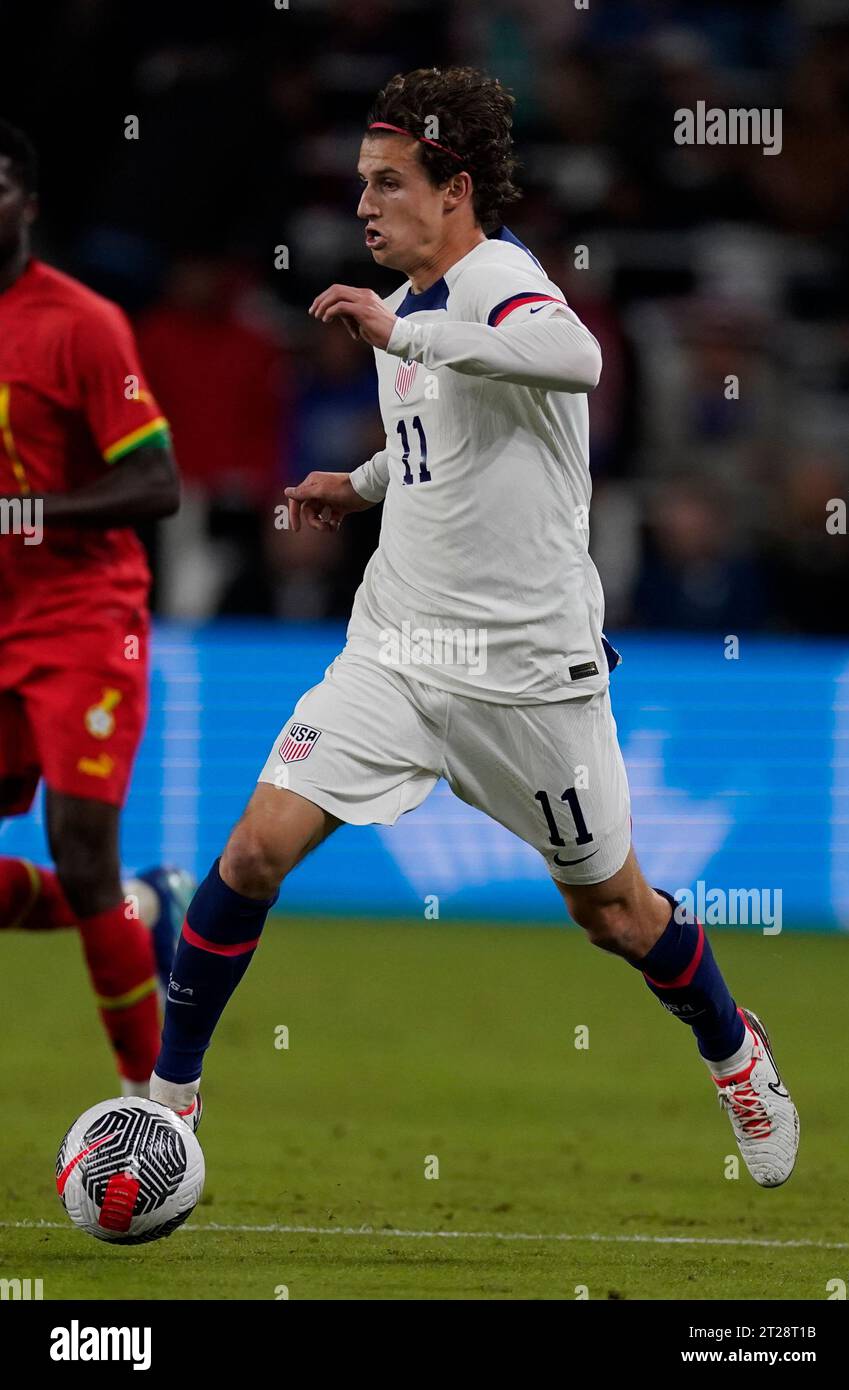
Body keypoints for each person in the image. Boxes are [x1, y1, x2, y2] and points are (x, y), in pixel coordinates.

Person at [150, 68, 798, 1186]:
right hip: (395, 652)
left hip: (526, 680)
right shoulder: (411, 310)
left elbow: (572, 358)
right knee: (254, 850)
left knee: (614, 912)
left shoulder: (499, 280)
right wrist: (358, 484)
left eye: (388, 182)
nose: (363, 205)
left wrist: (400, 339)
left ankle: (734, 1051)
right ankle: (168, 1106)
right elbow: (440, 440)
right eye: (360, 182)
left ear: (452, 188)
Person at [0, 120, 188, 1095]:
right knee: (91, 890)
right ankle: (142, 910)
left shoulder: (81, 323)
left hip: (79, 614)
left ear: (25, 202)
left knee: (79, 855)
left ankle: (153, 1103)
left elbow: (158, 485)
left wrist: (20, 511)